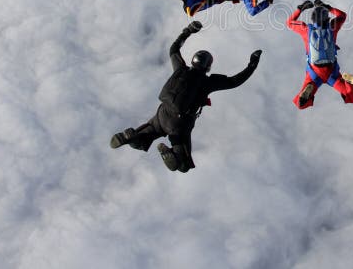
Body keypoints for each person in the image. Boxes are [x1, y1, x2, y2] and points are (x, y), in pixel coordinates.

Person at [110, 21, 262, 173]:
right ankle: (175, 156)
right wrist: (252, 64)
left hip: (162, 115)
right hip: (179, 125)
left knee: (144, 136)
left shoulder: (180, 68)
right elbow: (235, 81)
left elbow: (173, 49)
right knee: (183, 165)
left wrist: (188, 31)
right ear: (208, 66)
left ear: (193, 60)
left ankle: (132, 138)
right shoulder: (208, 82)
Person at [287, 0, 353, 109]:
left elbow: (289, 23)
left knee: (301, 104)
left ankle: (305, 96)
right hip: (331, 73)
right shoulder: (332, 27)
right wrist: (327, 7)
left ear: (312, 19)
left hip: (314, 72)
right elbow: (342, 16)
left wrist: (300, 8)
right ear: (327, 17)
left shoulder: (306, 29)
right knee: (351, 96)